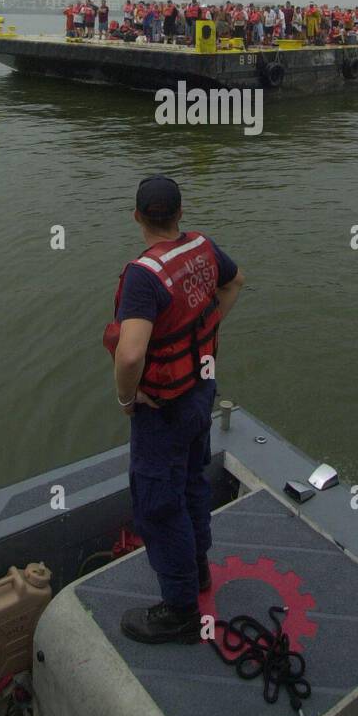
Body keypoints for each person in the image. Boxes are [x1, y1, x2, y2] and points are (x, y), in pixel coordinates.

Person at [103, 177, 244, 644]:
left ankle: (182, 610)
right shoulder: (202, 247)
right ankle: (198, 568)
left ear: (137, 217)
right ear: (181, 213)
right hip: (201, 391)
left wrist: (127, 400)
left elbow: (129, 354)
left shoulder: (144, 276)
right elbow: (235, 281)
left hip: (162, 409)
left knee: (159, 505)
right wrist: (199, 339)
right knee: (189, 481)